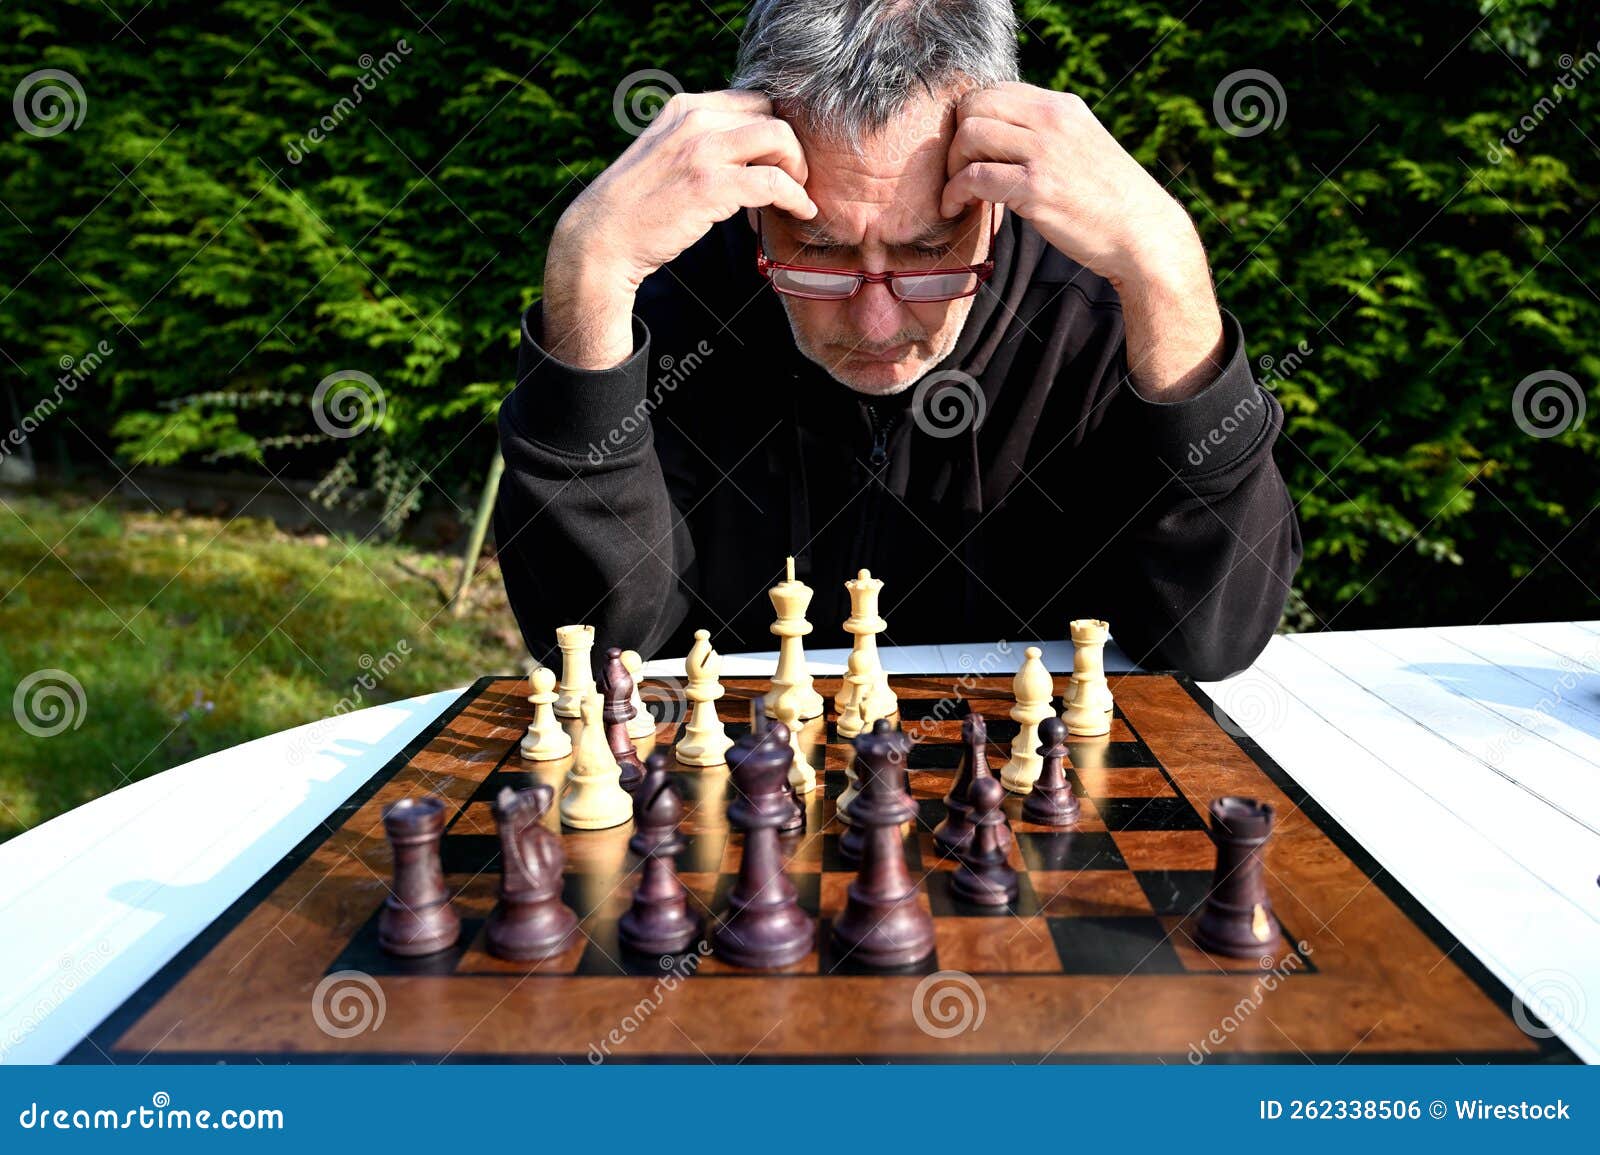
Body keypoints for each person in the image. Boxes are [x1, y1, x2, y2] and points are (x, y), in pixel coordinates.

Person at [494, 0, 1301, 680]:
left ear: (996, 181)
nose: (878, 323)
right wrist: (587, 273)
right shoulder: (665, 301)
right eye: (819, 251)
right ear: (752, 185)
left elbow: (1212, 636)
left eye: (927, 253)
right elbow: (593, 643)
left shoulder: (1100, 308)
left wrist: (1171, 272)